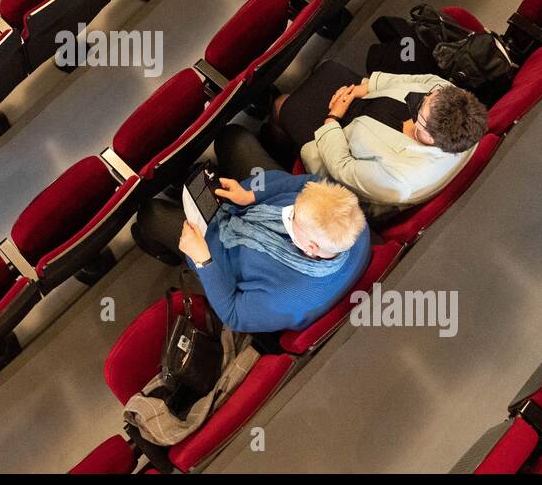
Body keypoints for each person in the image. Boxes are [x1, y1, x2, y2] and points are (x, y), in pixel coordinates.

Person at [133, 126, 371, 334]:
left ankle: (171, 254)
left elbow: (233, 315)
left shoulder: (284, 298)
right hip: (248, 204)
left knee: (151, 214)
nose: (286, 211)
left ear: (311, 247)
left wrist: (204, 261)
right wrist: (251, 195)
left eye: (292, 217)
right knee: (232, 137)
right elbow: (302, 184)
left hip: (217, 253)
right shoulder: (349, 215)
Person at [271, 60, 488, 215]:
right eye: (427, 96)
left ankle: (277, 143)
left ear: (430, 139)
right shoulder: (459, 105)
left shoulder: (401, 179)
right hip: (369, 108)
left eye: (420, 109)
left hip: (339, 147)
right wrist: (360, 89)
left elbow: (342, 168)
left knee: (283, 105)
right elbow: (425, 81)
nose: (420, 98)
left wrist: (333, 117)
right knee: (330, 67)